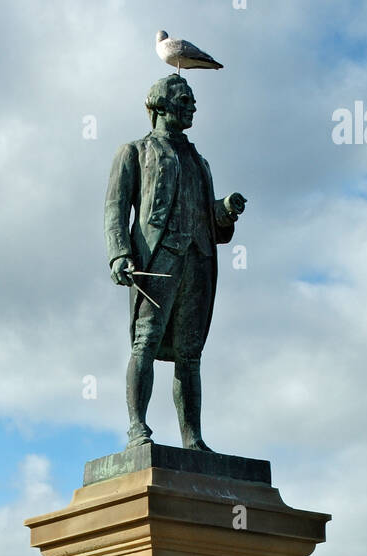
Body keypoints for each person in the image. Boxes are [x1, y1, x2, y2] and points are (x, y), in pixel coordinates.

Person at [104, 73, 246, 449]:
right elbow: (116, 209)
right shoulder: (134, 151)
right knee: (145, 343)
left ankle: (193, 440)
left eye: (192, 100)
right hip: (156, 261)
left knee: (190, 354)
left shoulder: (200, 161)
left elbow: (205, 216)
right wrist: (119, 254)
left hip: (198, 260)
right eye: (184, 99)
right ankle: (138, 428)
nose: (193, 106)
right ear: (160, 105)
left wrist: (224, 212)